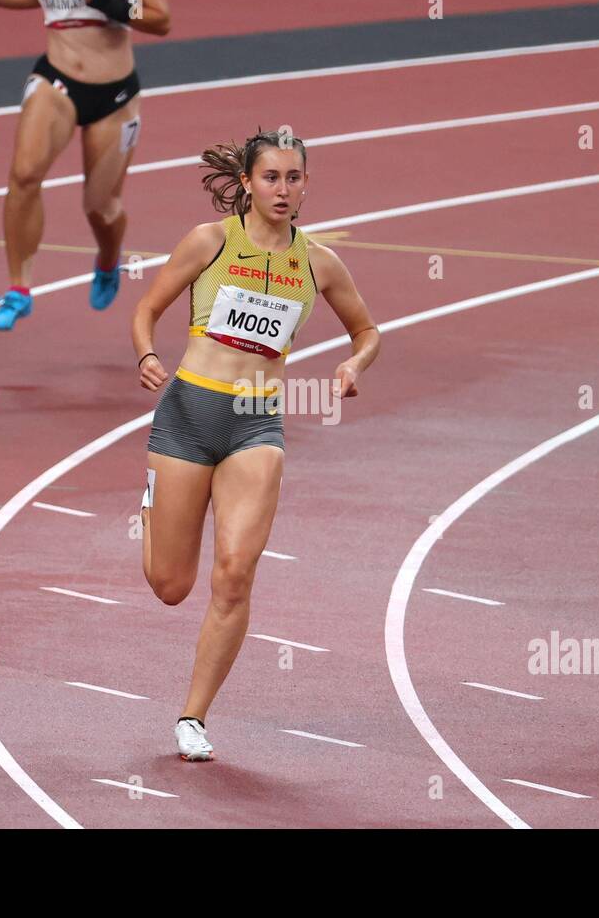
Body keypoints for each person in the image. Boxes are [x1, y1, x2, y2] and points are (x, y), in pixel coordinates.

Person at [131, 130, 380, 759]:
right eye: (271, 177)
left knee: (236, 574)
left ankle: (194, 717)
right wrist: (147, 353)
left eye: (294, 178)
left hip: (256, 422)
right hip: (188, 411)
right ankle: (154, 503)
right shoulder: (210, 241)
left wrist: (354, 366)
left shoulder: (319, 262)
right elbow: (147, 308)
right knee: (169, 585)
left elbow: (368, 330)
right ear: (246, 182)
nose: (283, 189)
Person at [0, 0, 171, 327]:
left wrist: (104, 2)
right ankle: (18, 291)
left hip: (115, 96)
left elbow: (160, 20)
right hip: (56, 82)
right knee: (24, 175)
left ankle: (108, 259)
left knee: (100, 206)